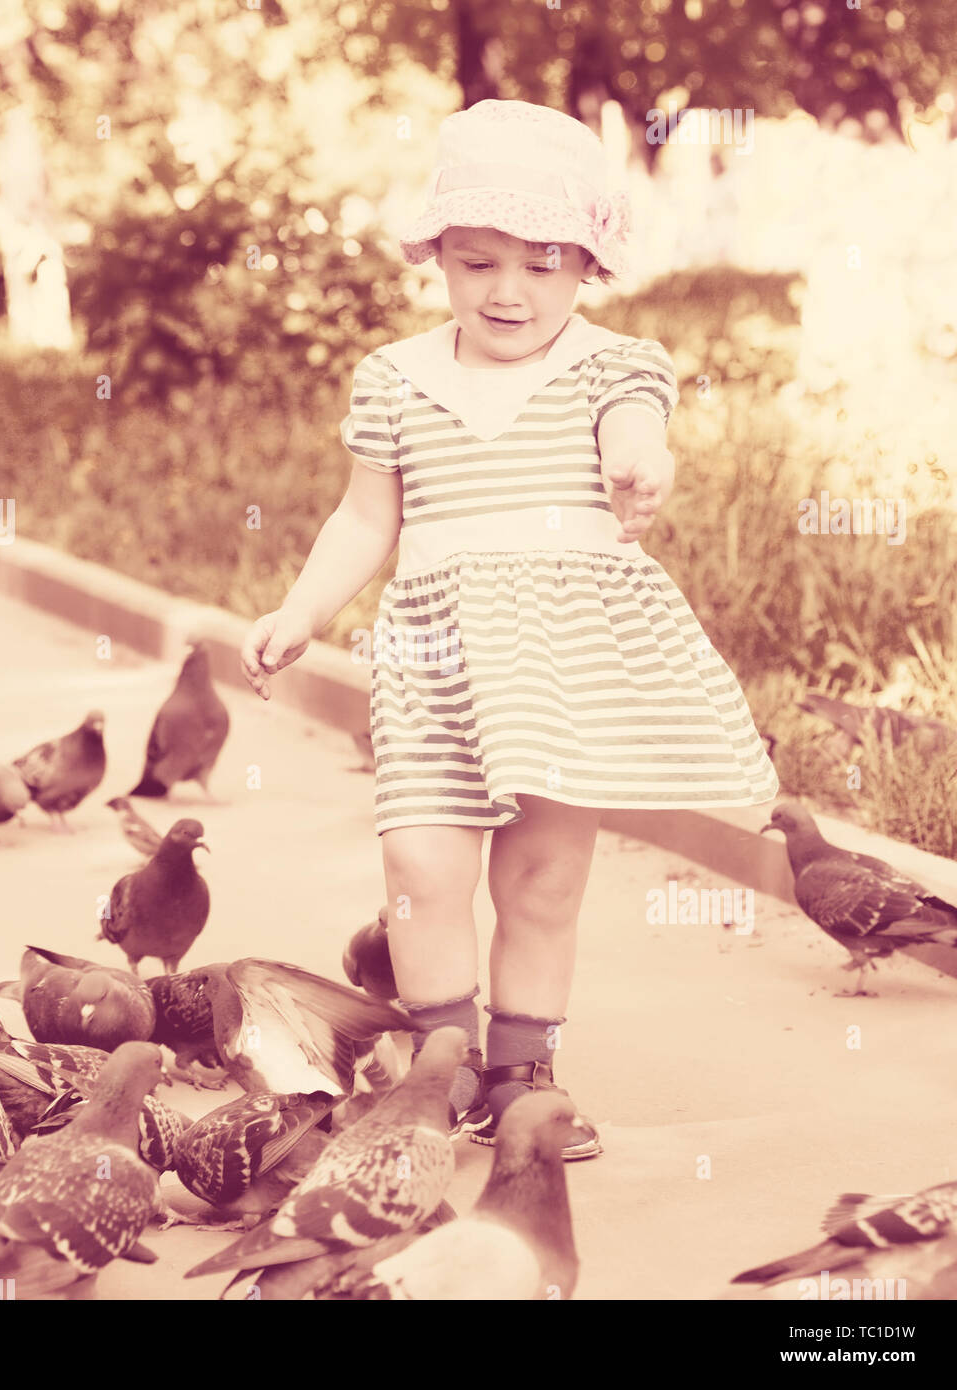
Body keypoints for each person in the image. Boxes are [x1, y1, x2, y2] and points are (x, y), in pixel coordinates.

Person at [241, 100, 778, 1159]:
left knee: (541, 875)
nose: (507, 290)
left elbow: (637, 430)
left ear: (586, 264)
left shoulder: (611, 366)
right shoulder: (396, 377)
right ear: (438, 255)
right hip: (433, 657)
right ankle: (439, 1068)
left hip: (558, 658)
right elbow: (365, 516)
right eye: (477, 260)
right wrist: (304, 608)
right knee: (421, 865)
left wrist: (641, 461)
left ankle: (523, 1073)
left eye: (541, 263)